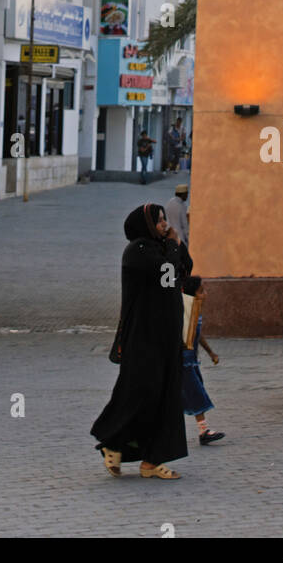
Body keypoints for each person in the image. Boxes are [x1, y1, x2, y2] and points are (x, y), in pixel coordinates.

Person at [91, 202, 191, 479]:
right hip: (143, 338)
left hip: (166, 337)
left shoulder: (159, 248)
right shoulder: (137, 252)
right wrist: (173, 246)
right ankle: (112, 443)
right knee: (139, 393)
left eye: (164, 220)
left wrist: (177, 246)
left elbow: (186, 268)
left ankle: (152, 460)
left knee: (165, 397)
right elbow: (168, 277)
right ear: (146, 225)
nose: (164, 225)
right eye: (159, 221)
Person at [181, 276, 224, 445]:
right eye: (202, 291)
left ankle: (203, 430)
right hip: (184, 363)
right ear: (195, 294)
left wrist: (211, 353)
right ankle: (204, 431)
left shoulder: (195, 310)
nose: (205, 294)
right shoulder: (186, 311)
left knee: (193, 394)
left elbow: (198, 336)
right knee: (196, 394)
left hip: (191, 361)